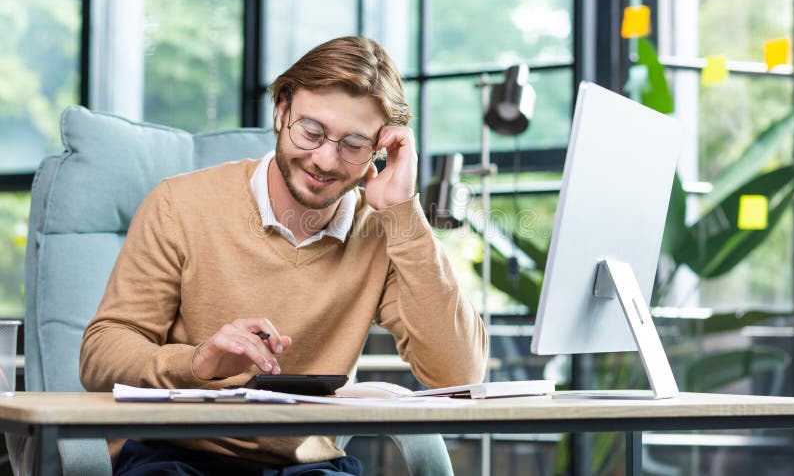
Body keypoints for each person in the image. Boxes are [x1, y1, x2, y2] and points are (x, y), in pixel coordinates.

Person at [79, 36, 488, 476]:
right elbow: (101, 354)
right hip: (172, 457)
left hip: (306, 468)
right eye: (311, 131)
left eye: (352, 144)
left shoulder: (384, 230)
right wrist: (198, 362)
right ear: (281, 108)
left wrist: (403, 213)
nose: (325, 160)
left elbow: (458, 374)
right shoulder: (179, 205)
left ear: (380, 150)